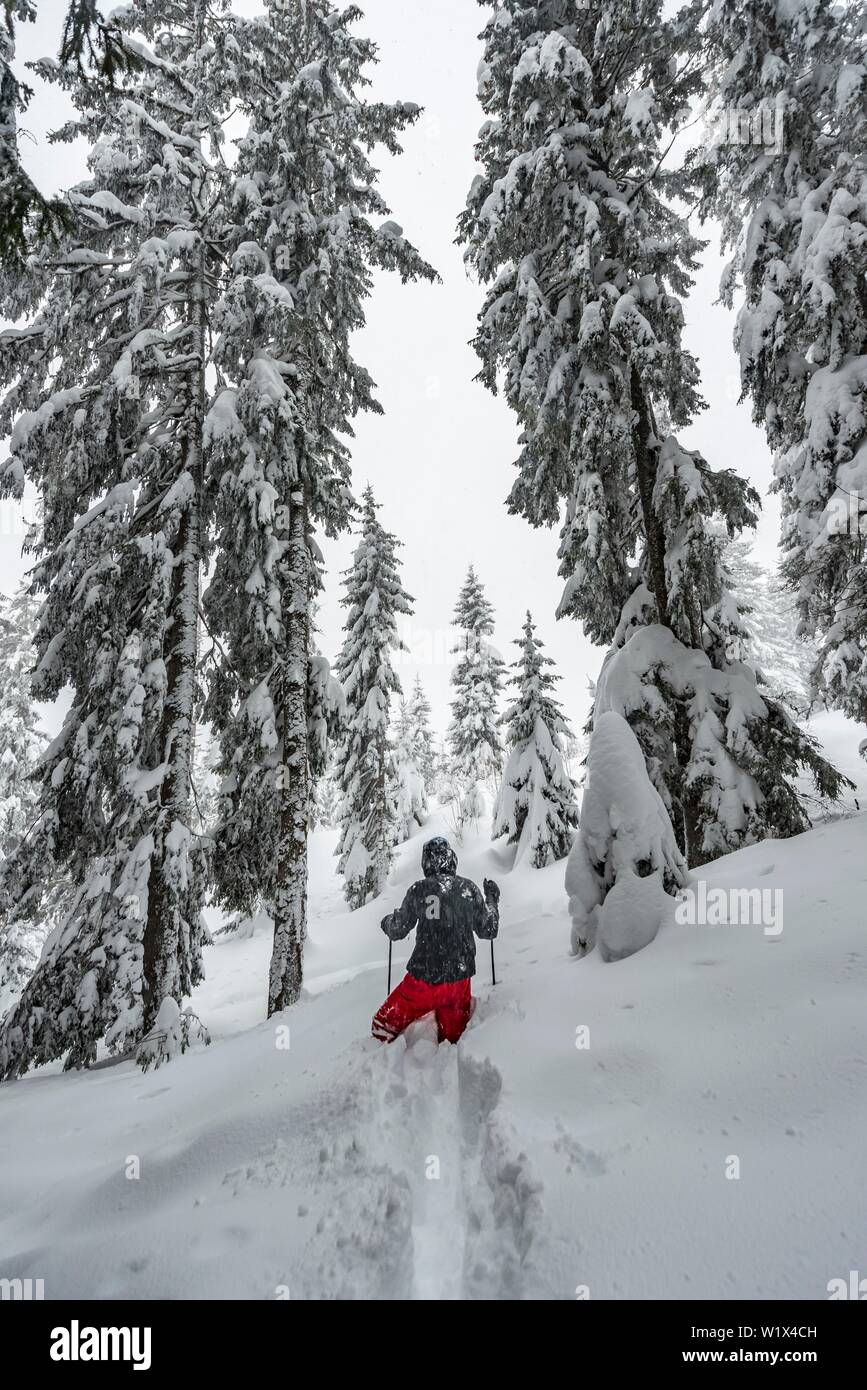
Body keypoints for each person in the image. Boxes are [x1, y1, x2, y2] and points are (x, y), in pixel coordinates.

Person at [371, 835, 500, 1045]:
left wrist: (387, 922)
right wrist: (492, 900)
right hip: (459, 982)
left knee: (380, 1027)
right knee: (452, 1040)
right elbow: (489, 930)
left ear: (426, 862)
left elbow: (397, 930)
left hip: (423, 981)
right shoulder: (469, 889)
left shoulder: (419, 890)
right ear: (451, 858)